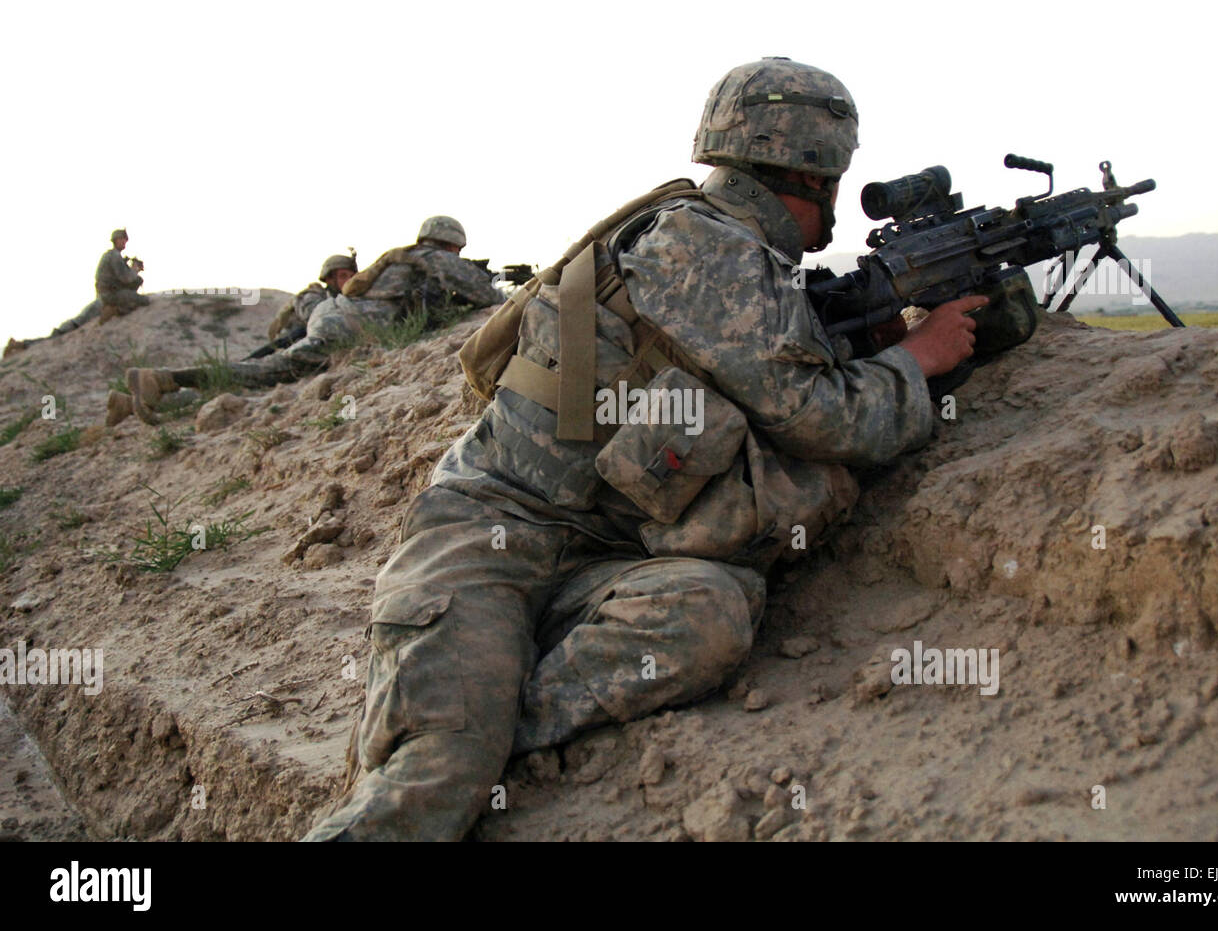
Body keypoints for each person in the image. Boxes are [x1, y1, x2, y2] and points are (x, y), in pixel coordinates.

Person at [303, 57, 987, 842]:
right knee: (435, 775)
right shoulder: (705, 245)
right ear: (816, 170)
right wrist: (920, 360)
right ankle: (459, 732)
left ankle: (482, 710)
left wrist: (877, 344)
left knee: (715, 609)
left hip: (609, 553)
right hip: (488, 532)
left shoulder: (739, 259)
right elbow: (824, 419)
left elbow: (761, 383)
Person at [111, 222, 496, 425]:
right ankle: (165, 378)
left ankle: (156, 395)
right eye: (456, 251)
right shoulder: (432, 256)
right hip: (347, 327)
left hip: (337, 317)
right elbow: (486, 298)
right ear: (449, 244)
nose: (456, 256)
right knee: (270, 369)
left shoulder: (404, 259)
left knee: (267, 375)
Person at [4, 229, 148, 358]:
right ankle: (114, 310)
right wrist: (134, 270)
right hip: (109, 298)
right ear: (116, 240)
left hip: (104, 298)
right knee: (143, 301)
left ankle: (22, 345)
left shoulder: (112, 257)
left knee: (71, 326)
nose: (124, 243)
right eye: (122, 239)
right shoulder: (114, 256)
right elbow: (126, 278)